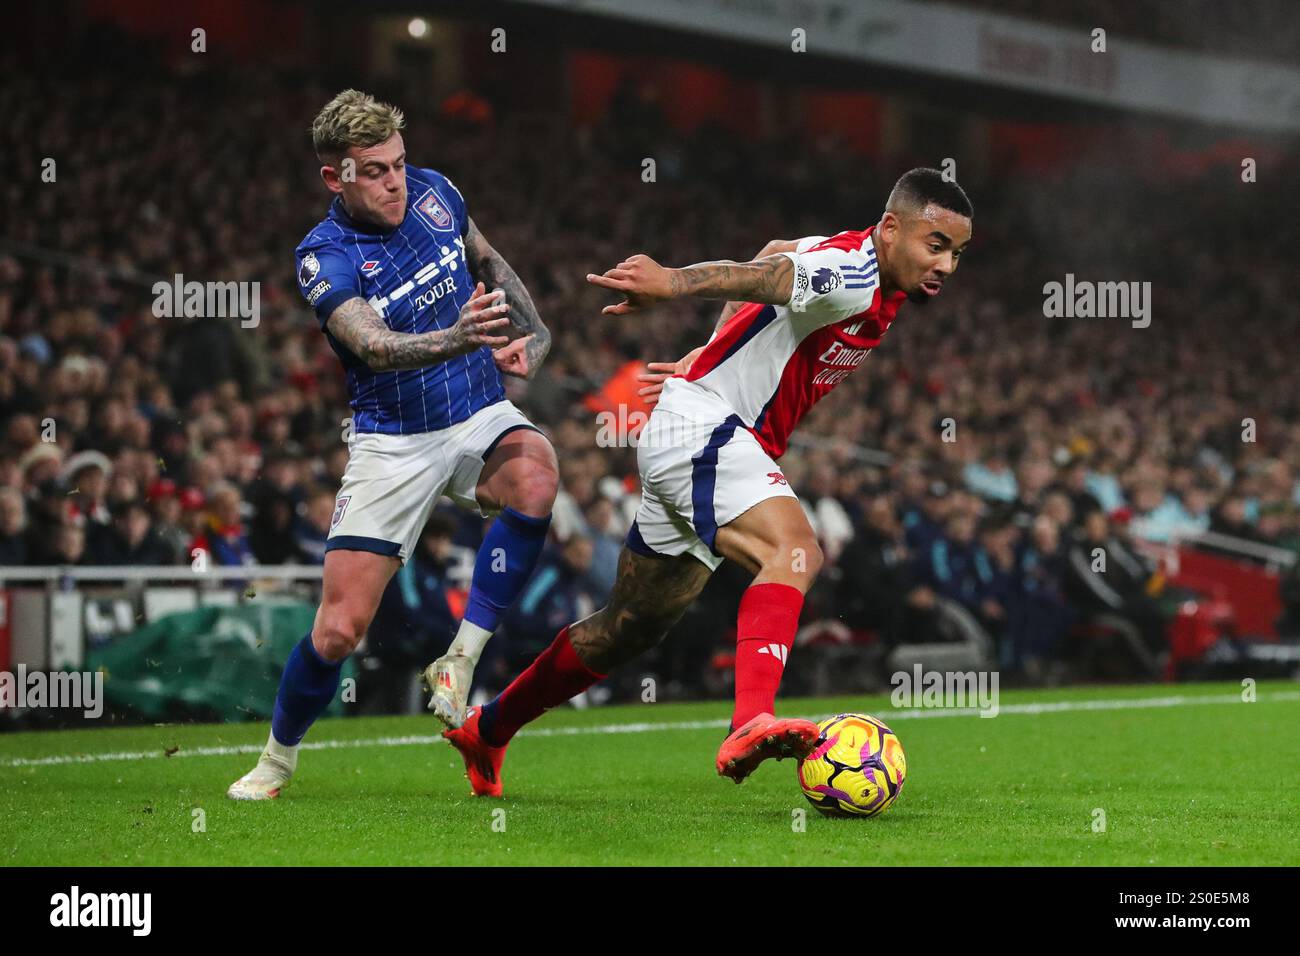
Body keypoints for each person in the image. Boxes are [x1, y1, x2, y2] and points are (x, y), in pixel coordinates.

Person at [443, 168, 973, 796]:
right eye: (934, 244)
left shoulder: (859, 260)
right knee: (795, 550)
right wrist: (672, 282)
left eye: (956, 253)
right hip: (706, 428)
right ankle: (749, 720)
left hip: (699, 432)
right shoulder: (855, 277)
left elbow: (777, 250)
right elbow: (770, 275)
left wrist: (712, 349)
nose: (945, 264)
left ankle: (488, 729)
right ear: (891, 229)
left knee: (628, 627)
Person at [227, 90, 557, 800]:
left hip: (474, 411)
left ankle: (460, 661)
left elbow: (491, 262)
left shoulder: (438, 194)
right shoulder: (325, 255)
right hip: (392, 442)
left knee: (536, 476)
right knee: (340, 632)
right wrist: (460, 338)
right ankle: (277, 759)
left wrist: (531, 332)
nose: (395, 180)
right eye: (374, 170)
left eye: (398, 164)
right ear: (334, 178)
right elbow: (370, 346)